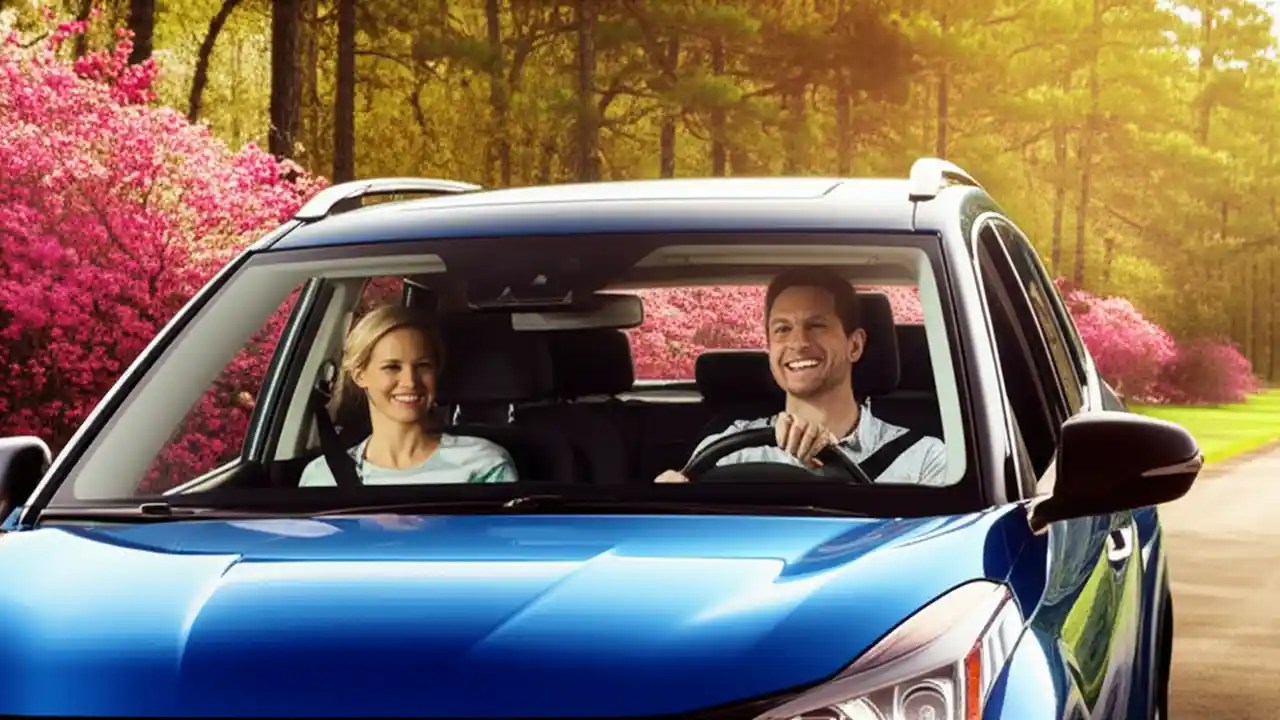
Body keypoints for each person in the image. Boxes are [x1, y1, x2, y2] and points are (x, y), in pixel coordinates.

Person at [655, 268, 947, 485]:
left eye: (816, 325)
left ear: (854, 345)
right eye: (782, 329)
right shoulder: (728, 451)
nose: (797, 343)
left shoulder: (924, 459)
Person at [300, 304, 517, 486]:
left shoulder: (483, 465)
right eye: (392, 367)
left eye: (423, 366)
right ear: (360, 375)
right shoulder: (323, 477)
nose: (410, 382)